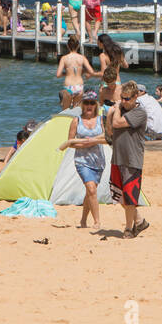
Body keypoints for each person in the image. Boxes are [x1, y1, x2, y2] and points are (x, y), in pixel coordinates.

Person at [105, 81, 150, 238]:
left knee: (130, 197)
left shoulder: (140, 113)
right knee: (121, 196)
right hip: (117, 157)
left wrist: (116, 109)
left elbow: (117, 124)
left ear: (135, 96)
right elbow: (110, 132)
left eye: (127, 98)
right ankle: (140, 221)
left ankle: (129, 229)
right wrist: (110, 114)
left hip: (132, 159)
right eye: (122, 98)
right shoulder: (120, 110)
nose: (123, 101)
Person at [60, 90, 106, 227]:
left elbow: (106, 137)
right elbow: (70, 142)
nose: (89, 106)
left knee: (89, 192)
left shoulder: (100, 120)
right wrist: (85, 144)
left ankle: (83, 220)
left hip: (98, 160)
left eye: (92, 103)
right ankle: (97, 221)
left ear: (96, 105)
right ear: (82, 104)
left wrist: (93, 142)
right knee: (92, 190)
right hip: (82, 161)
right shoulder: (76, 121)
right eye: (87, 103)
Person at [55, 36, 96, 108]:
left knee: (66, 111)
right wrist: (82, 72)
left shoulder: (64, 58)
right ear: (78, 46)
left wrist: (66, 73)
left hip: (68, 86)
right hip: (79, 86)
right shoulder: (82, 58)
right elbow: (91, 72)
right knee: (76, 111)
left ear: (68, 46)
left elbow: (58, 75)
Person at [96, 33, 127, 106]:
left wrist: (92, 74)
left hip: (106, 82)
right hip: (117, 82)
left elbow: (103, 72)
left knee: (103, 105)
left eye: (98, 42)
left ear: (102, 43)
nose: (97, 44)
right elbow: (126, 65)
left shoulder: (102, 56)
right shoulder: (118, 52)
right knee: (117, 103)